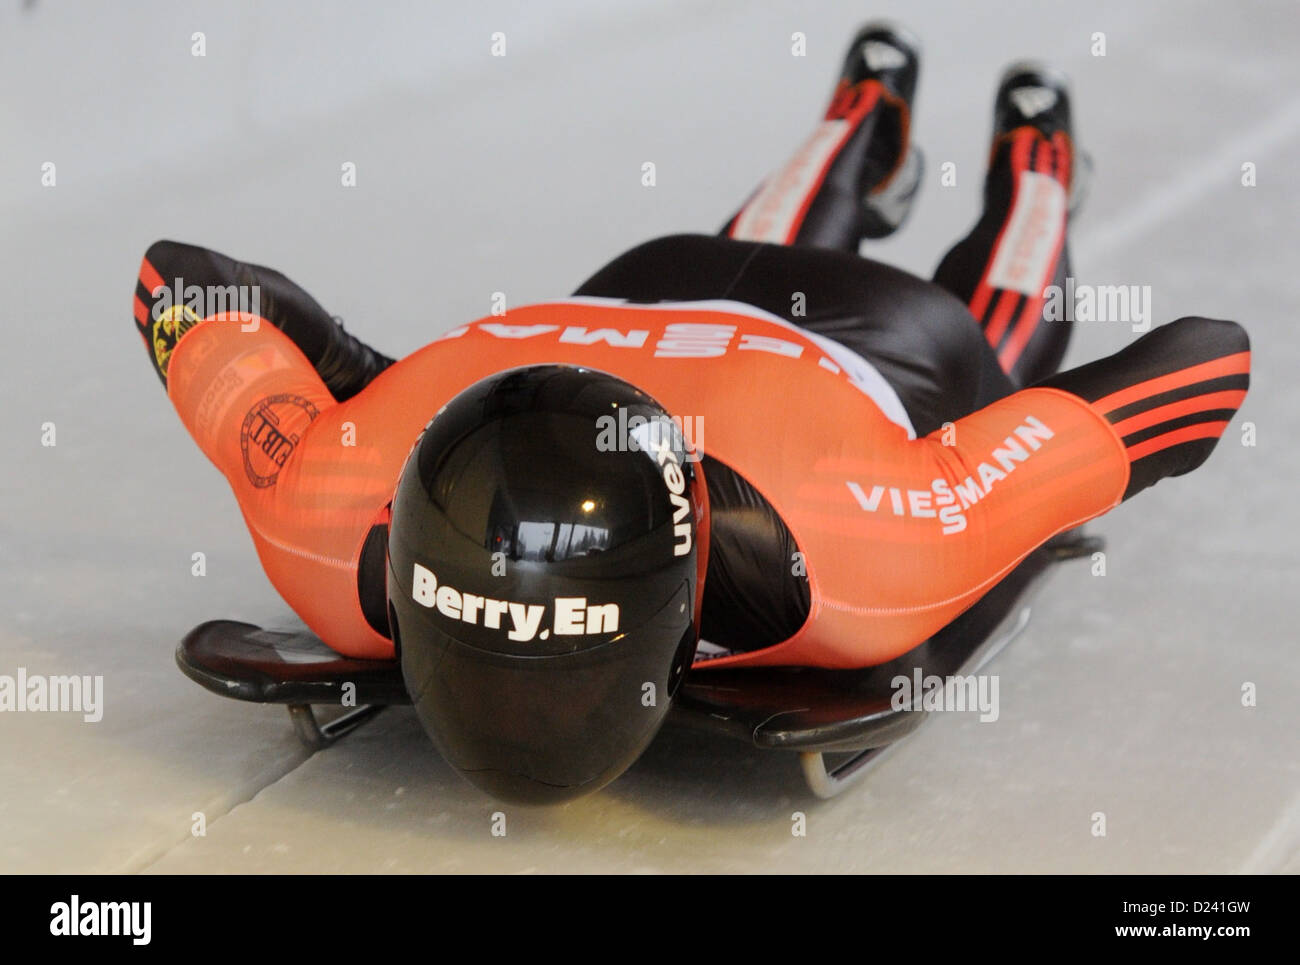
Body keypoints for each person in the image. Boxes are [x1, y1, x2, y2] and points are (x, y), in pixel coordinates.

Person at [134, 23, 1250, 802]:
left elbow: (171, 283)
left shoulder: (867, 543)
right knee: (822, 273)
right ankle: (912, 122)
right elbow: (1198, 368)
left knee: (991, 340)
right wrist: (364, 371)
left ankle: (1024, 166)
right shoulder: (323, 507)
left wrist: (358, 371)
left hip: (859, 336)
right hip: (669, 298)